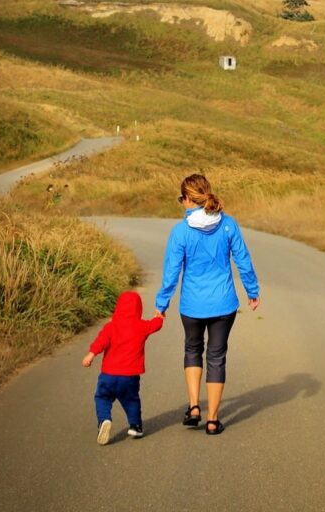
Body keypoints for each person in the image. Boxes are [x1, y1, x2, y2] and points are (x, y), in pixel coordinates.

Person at [155, 173, 260, 435]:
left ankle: (194, 407)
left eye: (182, 198)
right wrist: (252, 291)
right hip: (224, 304)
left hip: (192, 305)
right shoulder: (228, 224)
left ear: (189, 199)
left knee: (192, 349)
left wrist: (162, 303)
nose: (181, 202)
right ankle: (213, 420)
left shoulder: (181, 231)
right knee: (216, 357)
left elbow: (171, 272)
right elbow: (243, 260)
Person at [82, 290, 164, 444]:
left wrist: (91, 354)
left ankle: (104, 420)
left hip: (108, 374)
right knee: (131, 400)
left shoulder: (111, 326)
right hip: (130, 376)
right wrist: (159, 316)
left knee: (102, 397)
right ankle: (135, 426)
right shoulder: (141, 326)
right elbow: (155, 325)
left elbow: (101, 342)